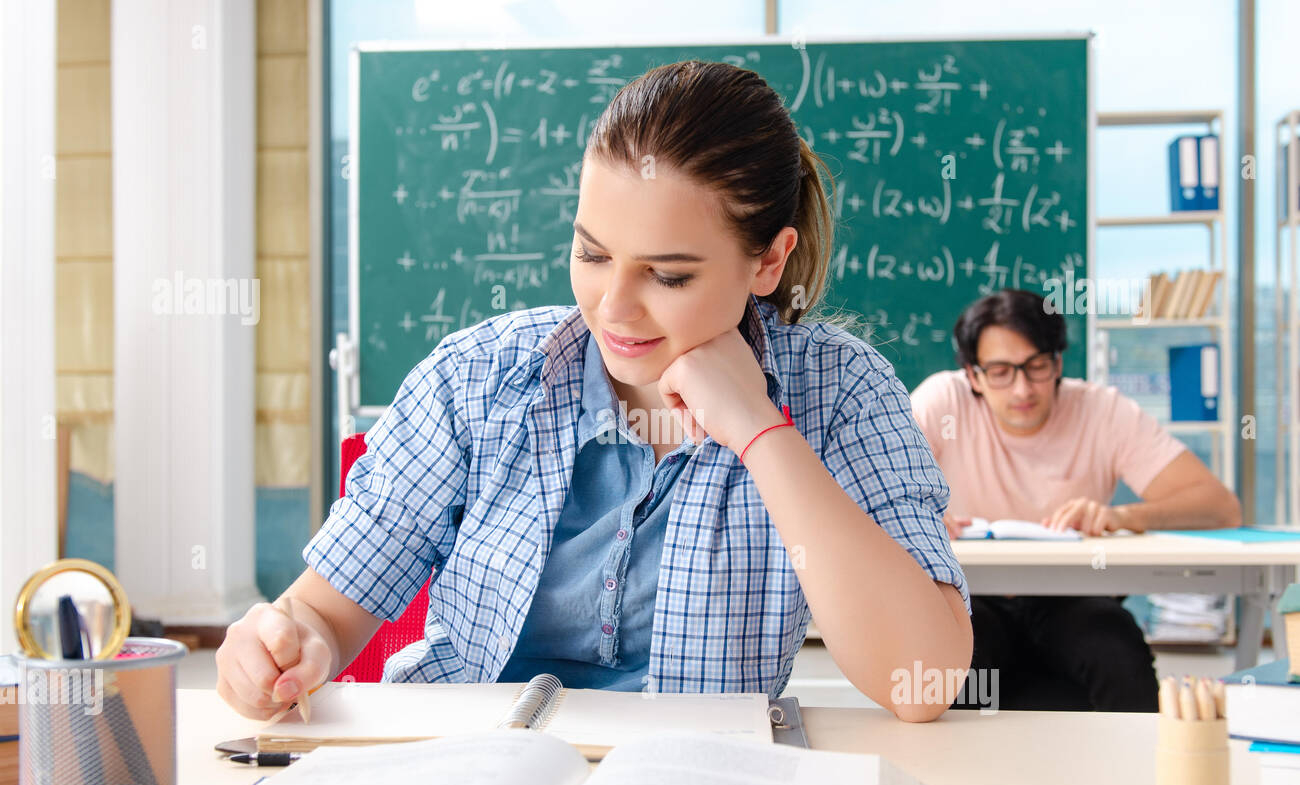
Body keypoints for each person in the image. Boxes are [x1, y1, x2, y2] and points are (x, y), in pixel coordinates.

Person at [217, 60, 972, 723]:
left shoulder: (840, 388)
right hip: (459, 782)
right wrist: (282, 645)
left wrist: (760, 431)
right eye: (592, 252)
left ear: (769, 263)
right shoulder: (476, 377)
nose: (613, 305)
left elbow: (921, 679)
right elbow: (321, 610)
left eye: (668, 274)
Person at [909, 289, 1242, 712]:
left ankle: (1136, 779)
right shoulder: (943, 402)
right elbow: (867, 492)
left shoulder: (1102, 410)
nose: (1021, 388)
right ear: (973, 376)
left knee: (1117, 655)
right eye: (1000, 372)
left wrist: (1121, 515)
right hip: (973, 597)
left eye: (1037, 367)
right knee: (948, 670)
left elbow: (1219, 506)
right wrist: (919, 516)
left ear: (1058, 363)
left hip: (1073, 596)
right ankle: (953, 782)